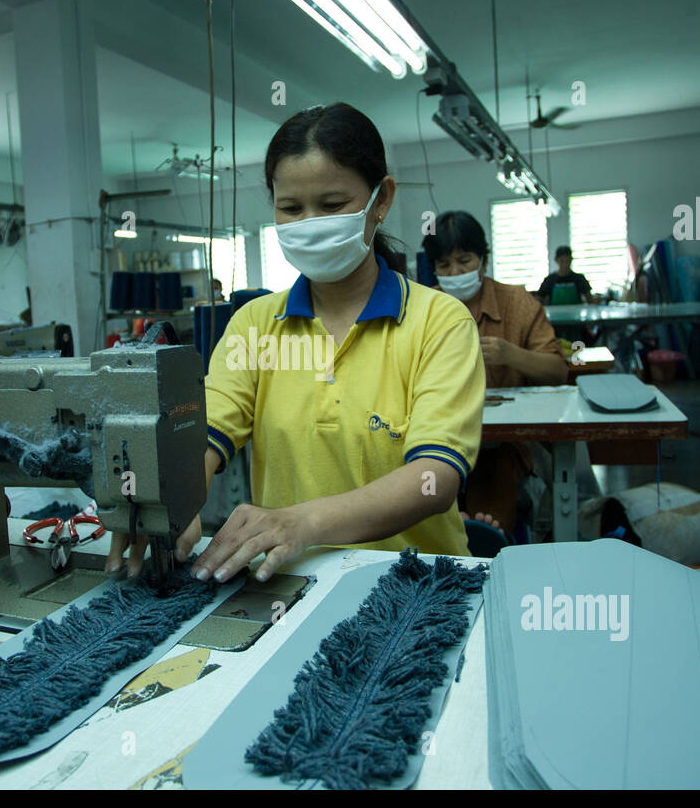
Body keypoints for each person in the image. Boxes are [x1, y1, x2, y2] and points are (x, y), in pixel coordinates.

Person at [107, 103, 484, 582]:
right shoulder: (254, 326)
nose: (310, 222)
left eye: (331, 206)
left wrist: (303, 521)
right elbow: (203, 435)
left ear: (381, 199)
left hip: (415, 585)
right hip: (291, 586)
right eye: (291, 208)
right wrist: (170, 501)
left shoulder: (438, 322)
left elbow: (435, 479)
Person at [426, 211, 567, 533]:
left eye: (464, 261)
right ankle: (450, 535)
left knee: (494, 463)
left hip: (505, 442)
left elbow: (558, 371)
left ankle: (485, 541)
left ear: (484, 261)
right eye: (444, 266)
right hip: (438, 435)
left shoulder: (517, 303)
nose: (455, 272)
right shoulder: (423, 307)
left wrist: (510, 354)